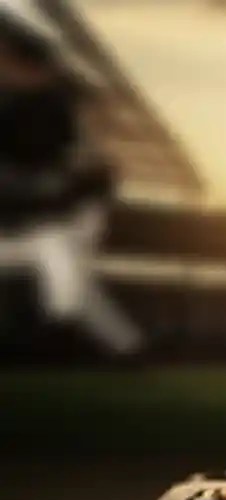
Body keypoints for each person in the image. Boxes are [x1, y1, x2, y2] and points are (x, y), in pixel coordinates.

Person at [0, 5, 141, 358]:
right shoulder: (17, 107)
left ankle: (56, 333)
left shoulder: (63, 104)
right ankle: (126, 348)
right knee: (70, 278)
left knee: (58, 254)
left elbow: (92, 173)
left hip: (69, 213)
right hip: (34, 215)